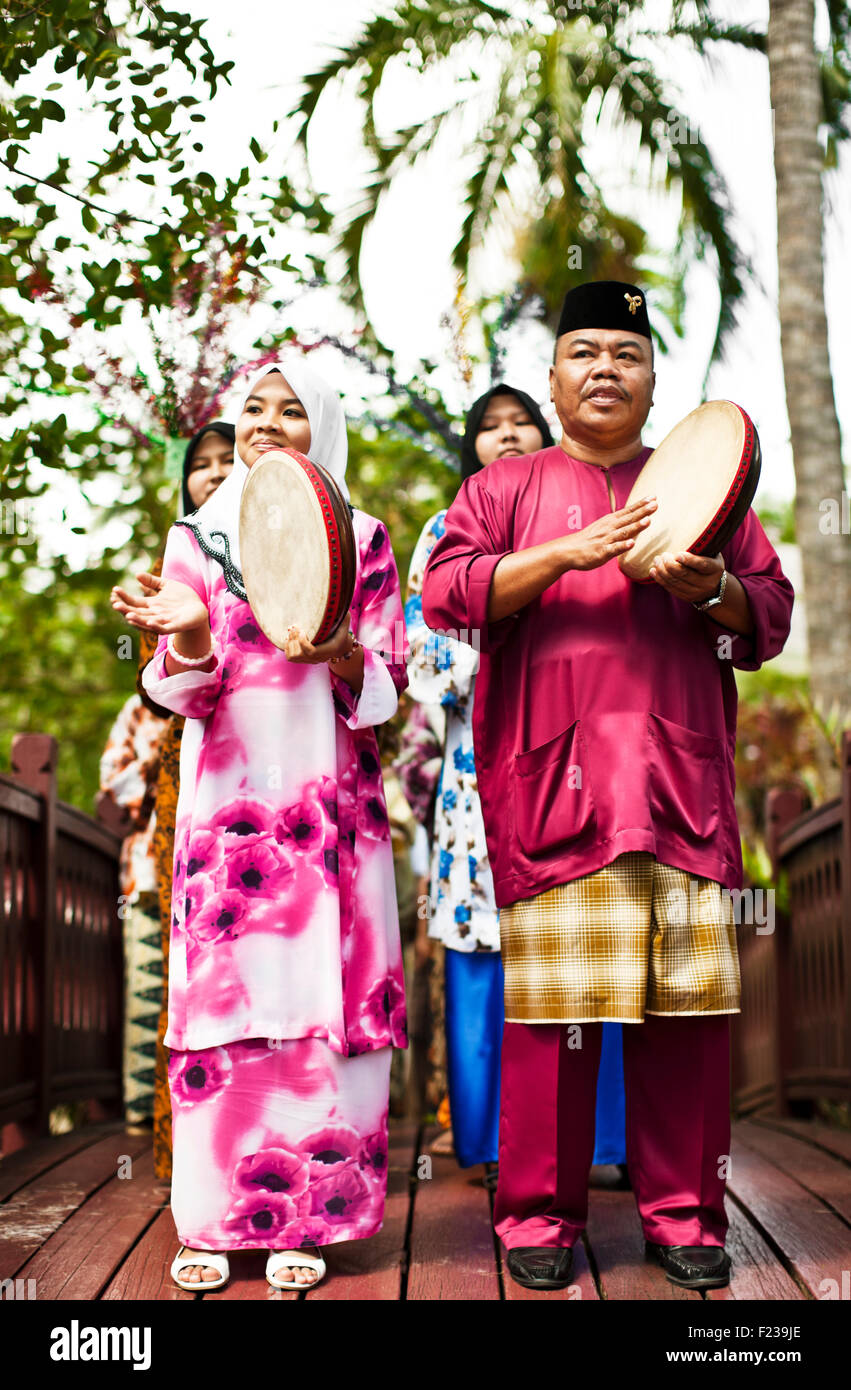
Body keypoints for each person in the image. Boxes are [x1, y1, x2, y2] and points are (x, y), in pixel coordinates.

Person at [421, 281, 794, 1292]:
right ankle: (537, 1219)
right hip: (556, 794)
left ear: (650, 378)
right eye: (581, 352)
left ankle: (682, 1216)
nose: (602, 370)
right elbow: (446, 590)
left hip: (680, 791)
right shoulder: (505, 488)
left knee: (685, 1019)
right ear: (553, 376)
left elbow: (766, 612)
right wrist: (563, 553)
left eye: (623, 355)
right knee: (551, 1019)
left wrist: (706, 585)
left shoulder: (702, 483)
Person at [112, 356, 408, 1293]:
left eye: (290, 410)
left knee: (327, 1001)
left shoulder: (362, 538)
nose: (267, 424)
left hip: (331, 813)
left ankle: (309, 1220)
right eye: (252, 409)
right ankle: (212, 1216)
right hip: (229, 814)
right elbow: (181, 689)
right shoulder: (194, 538)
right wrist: (191, 638)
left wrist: (343, 651)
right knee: (224, 1001)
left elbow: (386, 690)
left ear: (320, 426)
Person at [407, 384, 627, 1188]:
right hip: (481, 773)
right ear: (471, 451)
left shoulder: (586, 518)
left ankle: (608, 1143)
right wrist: (505, 625)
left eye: (519, 424)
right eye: (488, 429)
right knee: (483, 954)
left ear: (545, 431)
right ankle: (496, 1144)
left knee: (592, 939)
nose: (505, 438)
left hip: (584, 760)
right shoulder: (445, 532)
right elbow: (424, 657)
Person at [137, 421, 236, 1180]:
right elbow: (164, 687)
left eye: (224, 460)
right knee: (196, 967)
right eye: (198, 466)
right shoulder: (176, 567)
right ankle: (185, 1155)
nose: (211, 473)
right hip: (189, 780)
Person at [98, 693, 169, 1124]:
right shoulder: (139, 708)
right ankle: (143, 1115)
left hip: (211, 876)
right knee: (146, 987)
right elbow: (111, 787)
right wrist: (159, 758)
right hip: (146, 870)